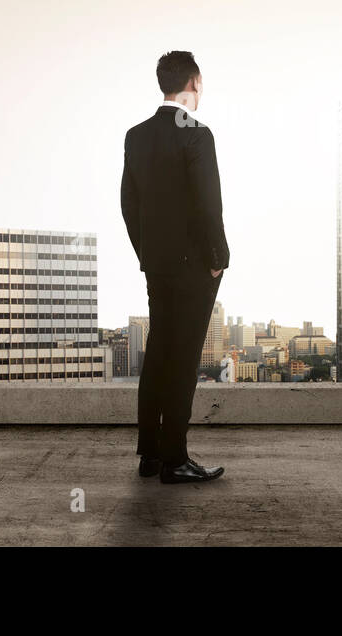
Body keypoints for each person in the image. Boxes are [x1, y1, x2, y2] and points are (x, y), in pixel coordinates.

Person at [120, 50, 230, 484]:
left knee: (159, 355)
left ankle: (150, 454)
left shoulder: (137, 135)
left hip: (157, 265)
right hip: (194, 268)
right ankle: (175, 460)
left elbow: (128, 204)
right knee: (184, 360)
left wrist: (146, 252)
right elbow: (209, 206)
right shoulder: (197, 134)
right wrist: (217, 260)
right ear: (195, 83)